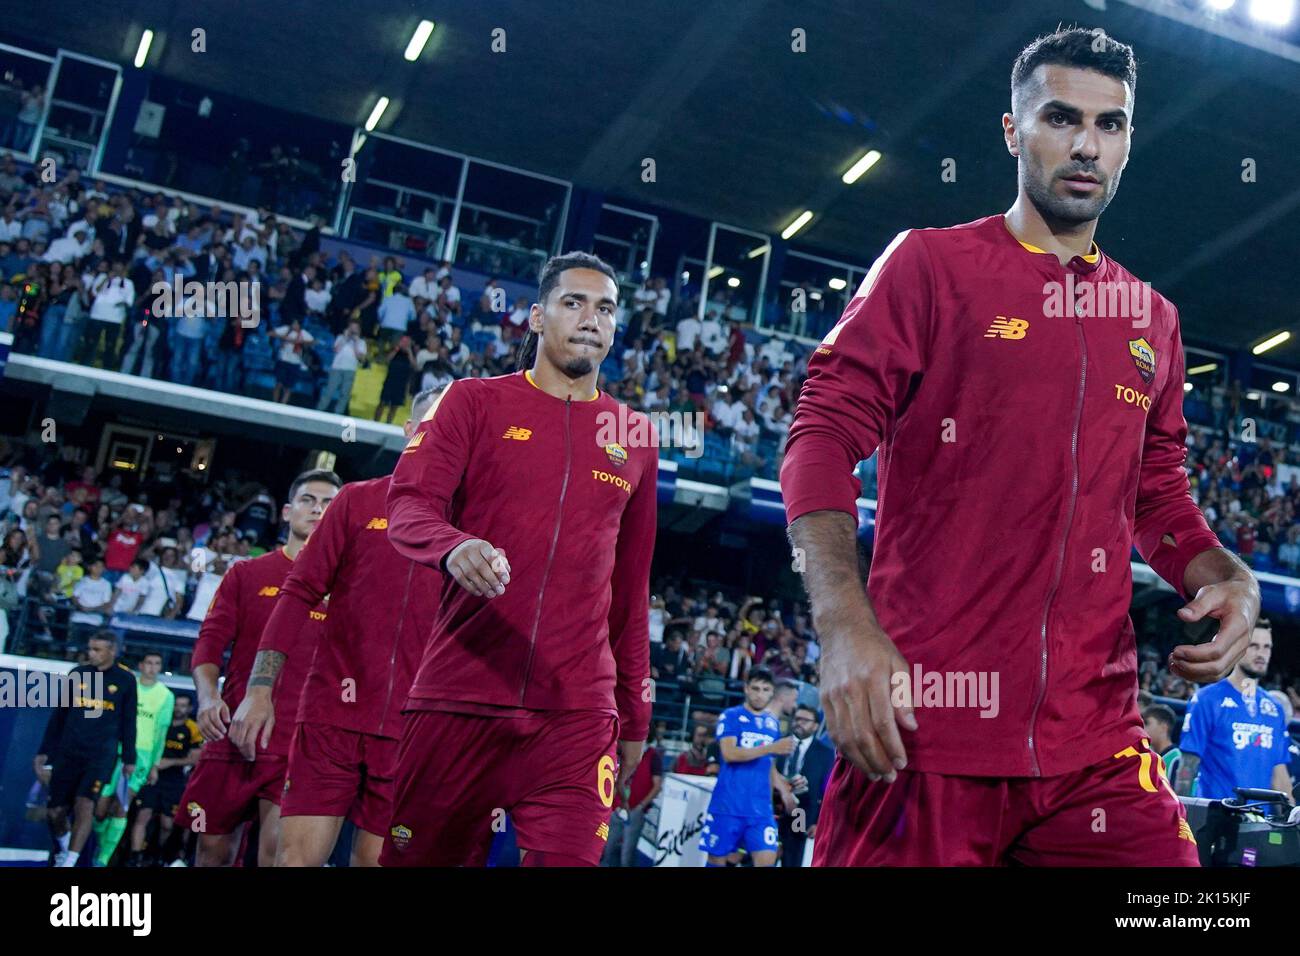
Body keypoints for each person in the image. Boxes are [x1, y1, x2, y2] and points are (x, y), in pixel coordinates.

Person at [781, 27, 1258, 866]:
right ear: (1012, 130)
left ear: (1129, 141)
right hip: (924, 734)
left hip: (1094, 745)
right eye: (1060, 118)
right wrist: (844, 626)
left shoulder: (1153, 319)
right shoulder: (931, 268)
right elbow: (821, 434)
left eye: (1110, 125)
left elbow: (1156, 493)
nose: (1085, 145)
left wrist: (1221, 573)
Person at [382, 251, 658, 867]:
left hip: (578, 711)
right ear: (535, 317)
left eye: (606, 308)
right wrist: (455, 545)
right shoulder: (471, 403)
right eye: (574, 303)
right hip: (461, 692)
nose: (591, 319)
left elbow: (632, 587)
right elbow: (408, 507)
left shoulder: (636, 435)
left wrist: (634, 714)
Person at [230, 389, 443, 867]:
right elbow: (299, 592)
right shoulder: (356, 501)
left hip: (412, 731)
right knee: (293, 862)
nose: (438, 434)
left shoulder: (474, 521)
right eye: (429, 423)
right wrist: (259, 690)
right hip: (331, 719)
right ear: (409, 431)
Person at [175, 470, 340, 867]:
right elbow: (209, 644)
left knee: (275, 854)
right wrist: (208, 697)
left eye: (328, 503)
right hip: (233, 733)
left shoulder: (348, 585)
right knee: (211, 851)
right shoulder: (245, 574)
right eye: (308, 500)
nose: (317, 509)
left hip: (295, 746)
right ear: (286, 511)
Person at [34, 631, 137, 867]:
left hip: (101, 755)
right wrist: (44, 752)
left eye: (97, 650)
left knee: (85, 804)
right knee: (55, 812)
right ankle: (64, 847)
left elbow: (129, 721)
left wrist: (129, 757)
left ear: (112, 651)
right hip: (68, 752)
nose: (92, 653)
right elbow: (59, 717)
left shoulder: (125, 680)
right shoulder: (78, 674)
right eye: (90, 648)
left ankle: (70, 861)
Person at [1175, 620, 1293, 803]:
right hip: (1217, 817)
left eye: (1266, 647)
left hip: (1261, 823)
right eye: (1254, 646)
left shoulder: (1275, 709)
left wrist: (1291, 819)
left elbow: (1280, 775)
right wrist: (1181, 819)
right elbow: (1188, 766)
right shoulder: (1207, 699)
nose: (1261, 653)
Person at [699, 668, 796, 866]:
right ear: (746, 689)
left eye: (765, 689)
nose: (760, 694)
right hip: (728, 805)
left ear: (772, 693)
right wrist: (771, 747)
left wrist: (784, 789)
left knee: (768, 858)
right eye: (756, 688)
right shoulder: (731, 716)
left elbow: (768, 764)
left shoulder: (772, 724)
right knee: (716, 861)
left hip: (760, 809)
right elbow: (729, 754)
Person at [91, 651, 174, 866]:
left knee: (121, 806)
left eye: (157, 663)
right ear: (141, 664)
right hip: (116, 751)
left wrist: (154, 765)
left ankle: (103, 858)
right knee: (100, 808)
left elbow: (160, 733)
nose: (152, 667)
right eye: (149, 662)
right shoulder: (129, 685)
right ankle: (99, 843)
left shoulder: (166, 696)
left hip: (142, 757)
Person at [129, 694, 202, 866]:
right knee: (143, 816)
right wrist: (153, 765)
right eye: (176, 705)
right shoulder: (162, 723)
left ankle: (159, 856)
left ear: (190, 708)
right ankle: (135, 858)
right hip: (151, 777)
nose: (179, 709)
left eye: (183, 706)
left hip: (175, 781)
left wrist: (170, 762)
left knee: (167, 824)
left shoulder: (192, 728)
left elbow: (195, 758)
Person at [776, 704, 834, 867]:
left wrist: (818, 821)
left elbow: (825, 790)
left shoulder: (825, 752)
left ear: (816, 725)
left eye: (805, 720)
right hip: (774, 808)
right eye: (797, 719)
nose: (799, 723)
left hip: (801, 813)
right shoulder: (778, 743)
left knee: (793, 857)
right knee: (764, 856)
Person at [601, 727, 662, 867]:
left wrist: (641, 806)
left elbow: (657, 785)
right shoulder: (623, 751)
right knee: (605, 848)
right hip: (616, 808)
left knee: (627, 853)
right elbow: (615, 780)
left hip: (635, 811)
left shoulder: (653, 756)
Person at [317, 320, 367, 414]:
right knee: (329, 391)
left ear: (359, 330)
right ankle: (320, 411)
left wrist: (355, 342)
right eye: (351, 328)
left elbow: (360, 358)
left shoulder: (361, 343)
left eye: (355, 328)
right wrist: (345, 338)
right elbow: (336, 349)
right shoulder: (340, 338)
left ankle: (338, 414)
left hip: (350, 370)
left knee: (345, 394)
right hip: (337, 368)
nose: (353, 331)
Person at [1142, 704, 1183, 792]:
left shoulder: (1176, 759)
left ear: (1163, 727)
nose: (1142, 728)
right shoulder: (1148, 756)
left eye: (1147, 723)